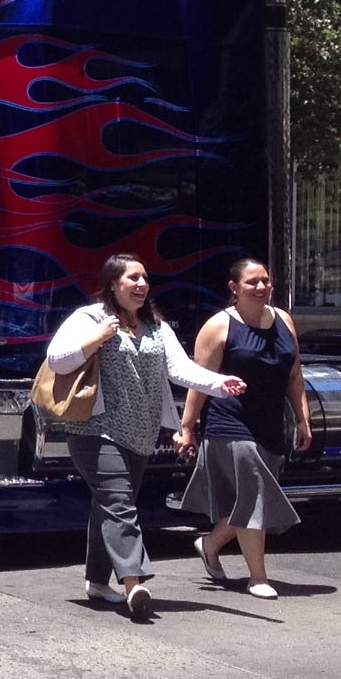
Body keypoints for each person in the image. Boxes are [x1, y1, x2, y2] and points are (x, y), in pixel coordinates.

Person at [45, 253, 246, 617]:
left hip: (140, 434)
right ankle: (134, 584)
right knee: (120, 504)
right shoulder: (89, 319)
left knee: (108, 505)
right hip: (94, 431)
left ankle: (96, 581)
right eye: (132, 279)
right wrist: (96, 339)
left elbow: (180, 369)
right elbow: (57, 360)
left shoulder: (156, 326)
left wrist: (220, 382)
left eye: (144, 279)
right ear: (112, 285)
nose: (141, 285)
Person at [175, 258, 311, 600]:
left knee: (253, 498)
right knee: (255, 492)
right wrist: (187, 427)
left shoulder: (284, 321)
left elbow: (294, 375)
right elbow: (199, 382)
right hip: (228, 422)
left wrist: (303, 418)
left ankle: (209, 544)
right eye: (253, 282)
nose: (262, 287)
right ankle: (258, 577)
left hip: (269, 423)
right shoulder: (218, 326)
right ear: (234, 288)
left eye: (266, 280)